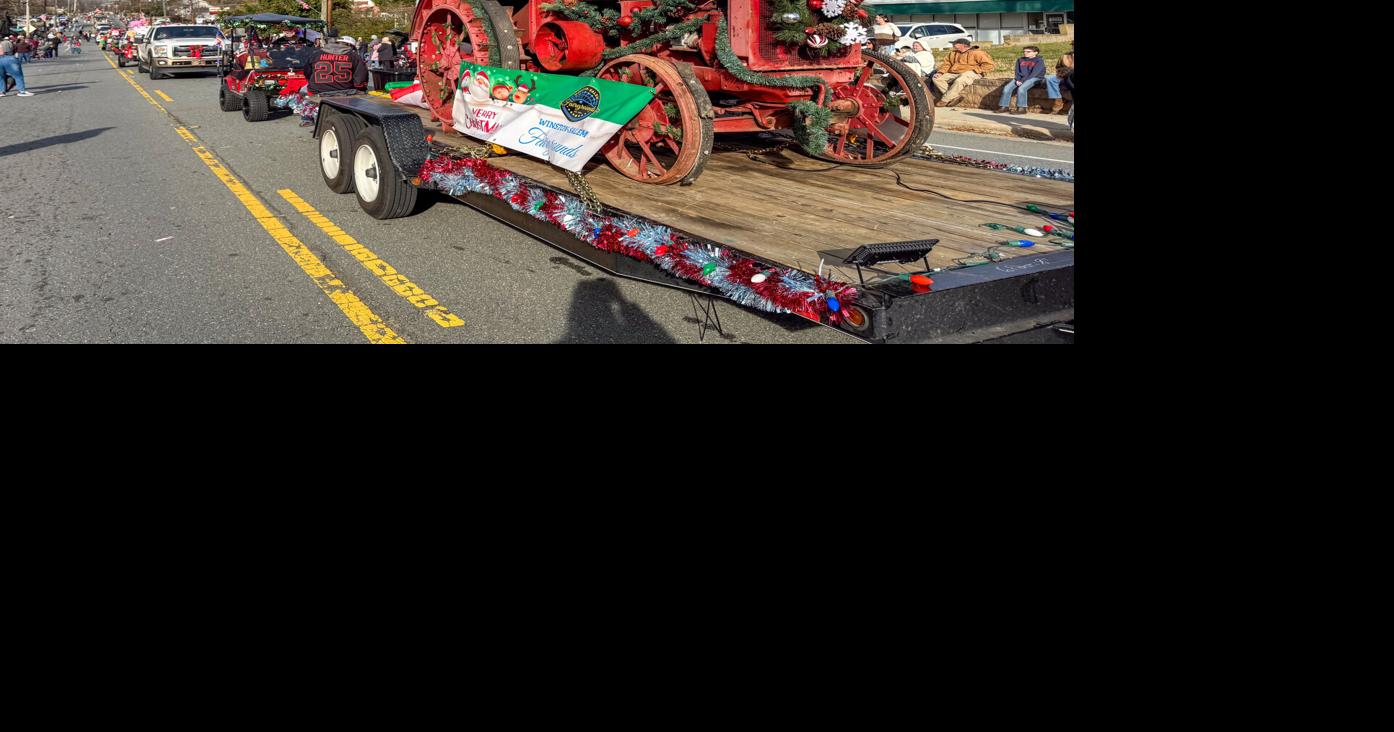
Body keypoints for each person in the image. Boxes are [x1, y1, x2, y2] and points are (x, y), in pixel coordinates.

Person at [933, 38, 994, 107]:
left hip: (973, 72)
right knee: (937, 78)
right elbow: (947, 64)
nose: (953, 45)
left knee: (960, 80)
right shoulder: (953, 53)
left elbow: (989, 65)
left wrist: (975, 70)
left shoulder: (977, 53)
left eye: (955, 44)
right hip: (955, 73)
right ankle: (955, 97)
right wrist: (940, 72)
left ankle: (945, 100)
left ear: (963, 45)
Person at [304, 30, 368, 96]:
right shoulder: (354, 56)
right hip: (346, 93)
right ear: (350, 45)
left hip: (317, 92)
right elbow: (360, 81)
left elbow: (307, 73)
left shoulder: (315, 54)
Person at [996, 45, 1045, 114]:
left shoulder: (1039, 61)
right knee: (1006, 88)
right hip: (1020, 78)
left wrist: (1022, 80)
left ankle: (1022, 109)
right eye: (1024, 51)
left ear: (1035, 52)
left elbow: (1034, 73)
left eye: (1028, 52)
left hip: (1035, 78)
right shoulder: (1020, 60)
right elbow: (1017, 71)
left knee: (1021, 89)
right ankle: (1004, 107)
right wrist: (1018, 79)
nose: (1025, 53)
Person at [1046, 39, 1074, 114]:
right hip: (1064, 75)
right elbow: (1058, 67)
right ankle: (1057, 99)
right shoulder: (1064, 56)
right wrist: (1062, 71)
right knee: (1050, 79)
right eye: (1073, 45)